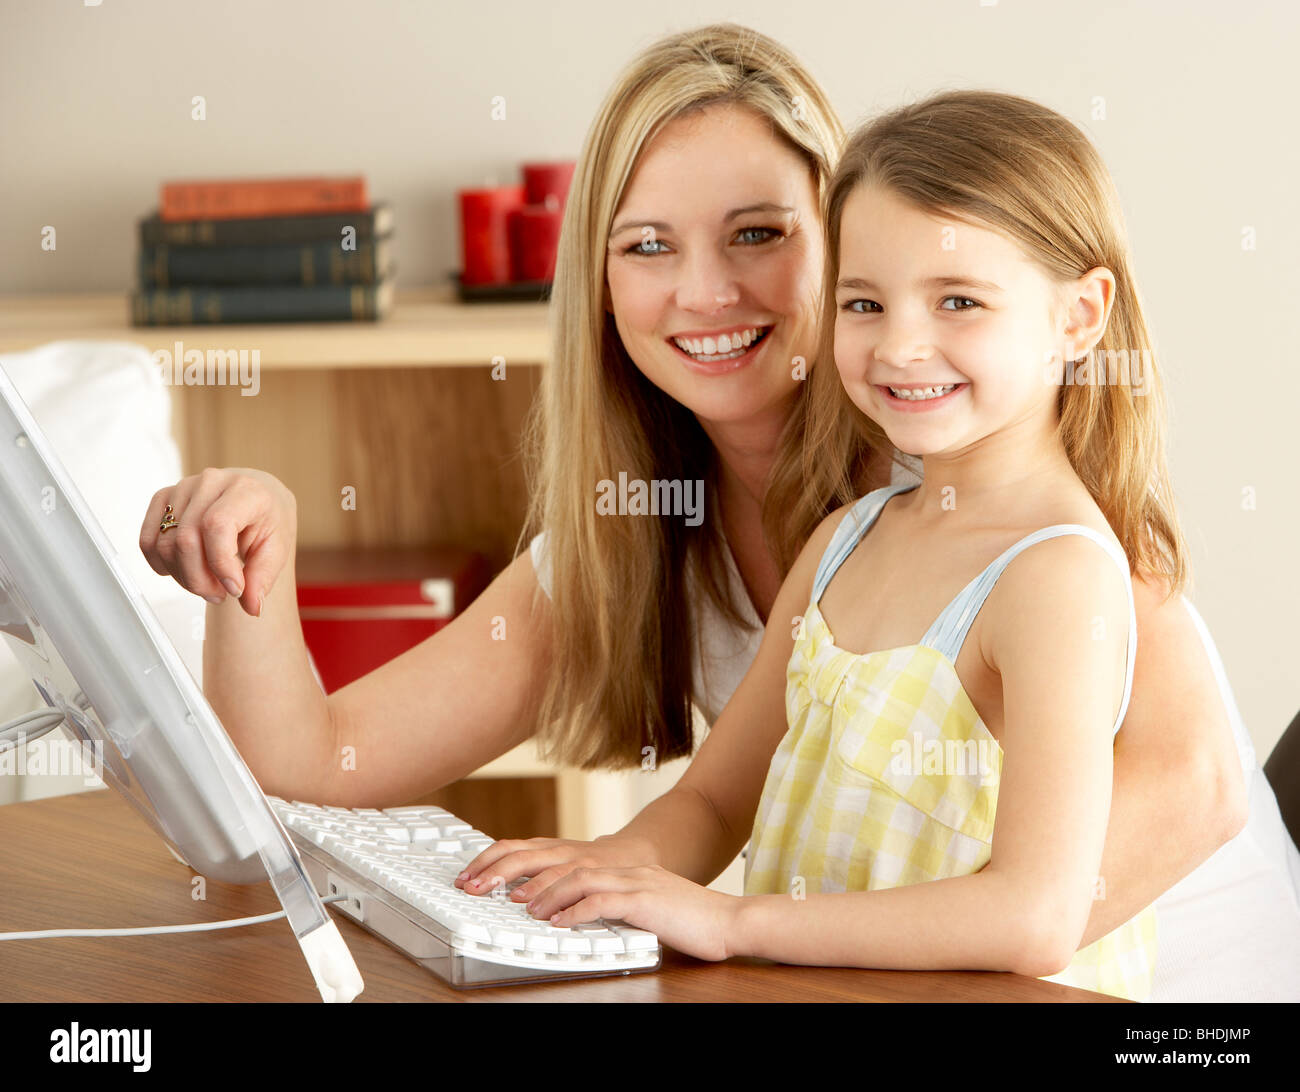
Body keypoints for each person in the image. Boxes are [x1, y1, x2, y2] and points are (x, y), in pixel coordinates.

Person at [138, 26, 1287, 998]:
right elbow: (313, 763)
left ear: (841, 230)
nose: (705, 292)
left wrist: (768, 944)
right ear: (599, 281)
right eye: (647, 246)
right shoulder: (669, 532)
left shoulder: (1004, 497)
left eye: (758, 234)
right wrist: (253, 557)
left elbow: (1186, 798)